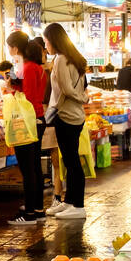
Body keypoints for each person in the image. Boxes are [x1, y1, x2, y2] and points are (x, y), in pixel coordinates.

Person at [42, 22, 88, 219]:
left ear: (54, 41)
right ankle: (69, 202)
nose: (46, 46)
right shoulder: (73, 58)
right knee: (71, 161)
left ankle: (78, 206)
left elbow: (67, 89)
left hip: (66, 116)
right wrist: (82, 97)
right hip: (75, 116)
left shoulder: (61, 59)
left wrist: (81, 98)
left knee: (72, 162)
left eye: (46, 42)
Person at [5, 31, 47, 224]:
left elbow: (27, 99)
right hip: (37, 119)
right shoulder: (34, 67)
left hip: (28, 121)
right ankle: (38, 209)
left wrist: (12, 90)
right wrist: (14, 85)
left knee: (28, 169)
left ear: (15, 48)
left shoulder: (28, 68)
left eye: (9, 47)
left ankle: (29, 213)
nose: (9, 50)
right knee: (35, 167)